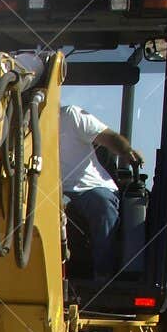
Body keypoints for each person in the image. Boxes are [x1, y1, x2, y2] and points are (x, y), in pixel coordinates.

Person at [60, 103, 143, 276]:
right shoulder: (25, 123)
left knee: (102, 205)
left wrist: (126, 151)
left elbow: (109, 137)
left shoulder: (71, 115)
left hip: (90, 186)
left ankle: (103, 277)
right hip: (54, 190)